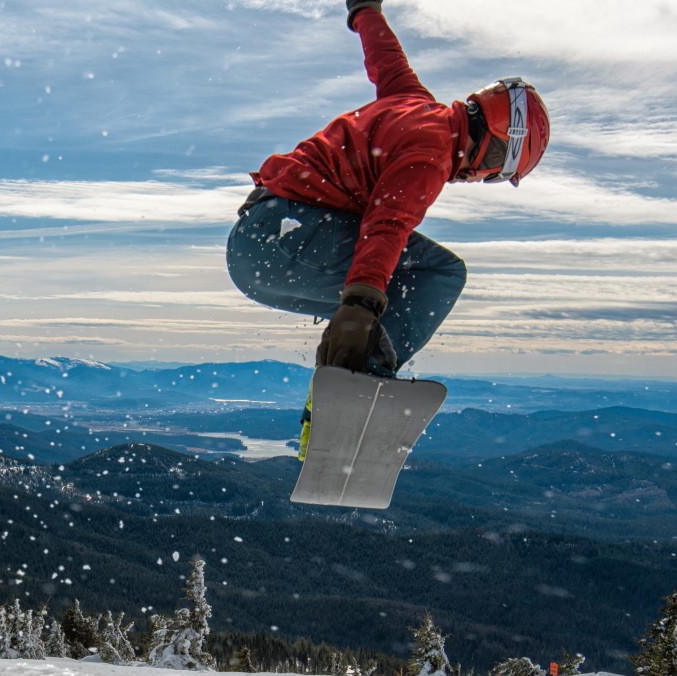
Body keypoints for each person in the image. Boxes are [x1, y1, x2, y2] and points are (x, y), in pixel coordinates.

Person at [227, 0, 551, 402]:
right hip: (285, 241)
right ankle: (362, 384)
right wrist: (361, 304)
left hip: (260, 245)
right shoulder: (433, 153)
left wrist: (365, 10)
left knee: (388, 302)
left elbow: (386, 58)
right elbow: (387, 225)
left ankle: (336, 390)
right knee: (439, 274)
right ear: (498, 143)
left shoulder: (414, 102)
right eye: (497, 168)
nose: (480, 177)